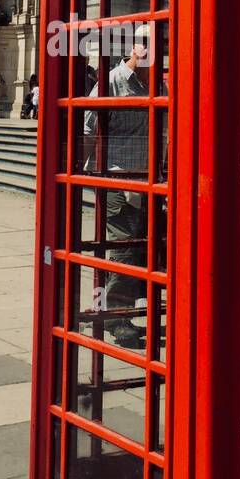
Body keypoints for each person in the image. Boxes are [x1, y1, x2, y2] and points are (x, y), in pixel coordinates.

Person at [83, 28, 152, 348]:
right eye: (147, 43)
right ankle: (116, 316)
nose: (151, 50)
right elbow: (87, 128)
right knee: (123, 245)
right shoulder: (112, 81)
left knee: (140, 247)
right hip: (115, 178)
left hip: (150, 180)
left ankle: (123, 309)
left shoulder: (158, 83)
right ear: (134, 46)